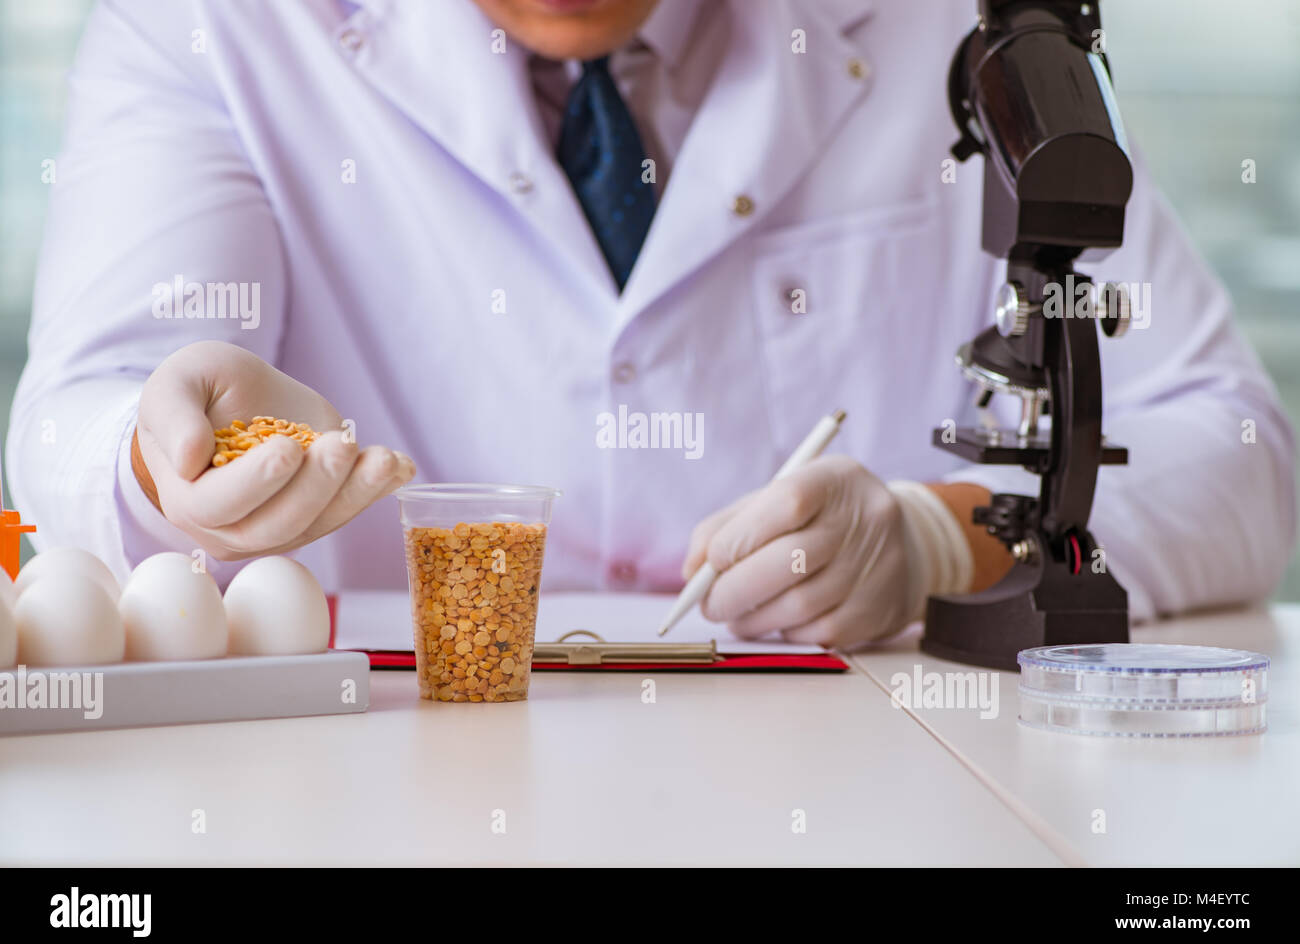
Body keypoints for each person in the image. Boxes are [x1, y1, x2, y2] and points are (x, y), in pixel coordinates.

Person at [8, 0, 1295, 648]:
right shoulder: (209, 28)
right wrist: (158, 461)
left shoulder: (946, 28)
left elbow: (1235, 446)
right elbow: (85, 409)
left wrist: (936, 539)